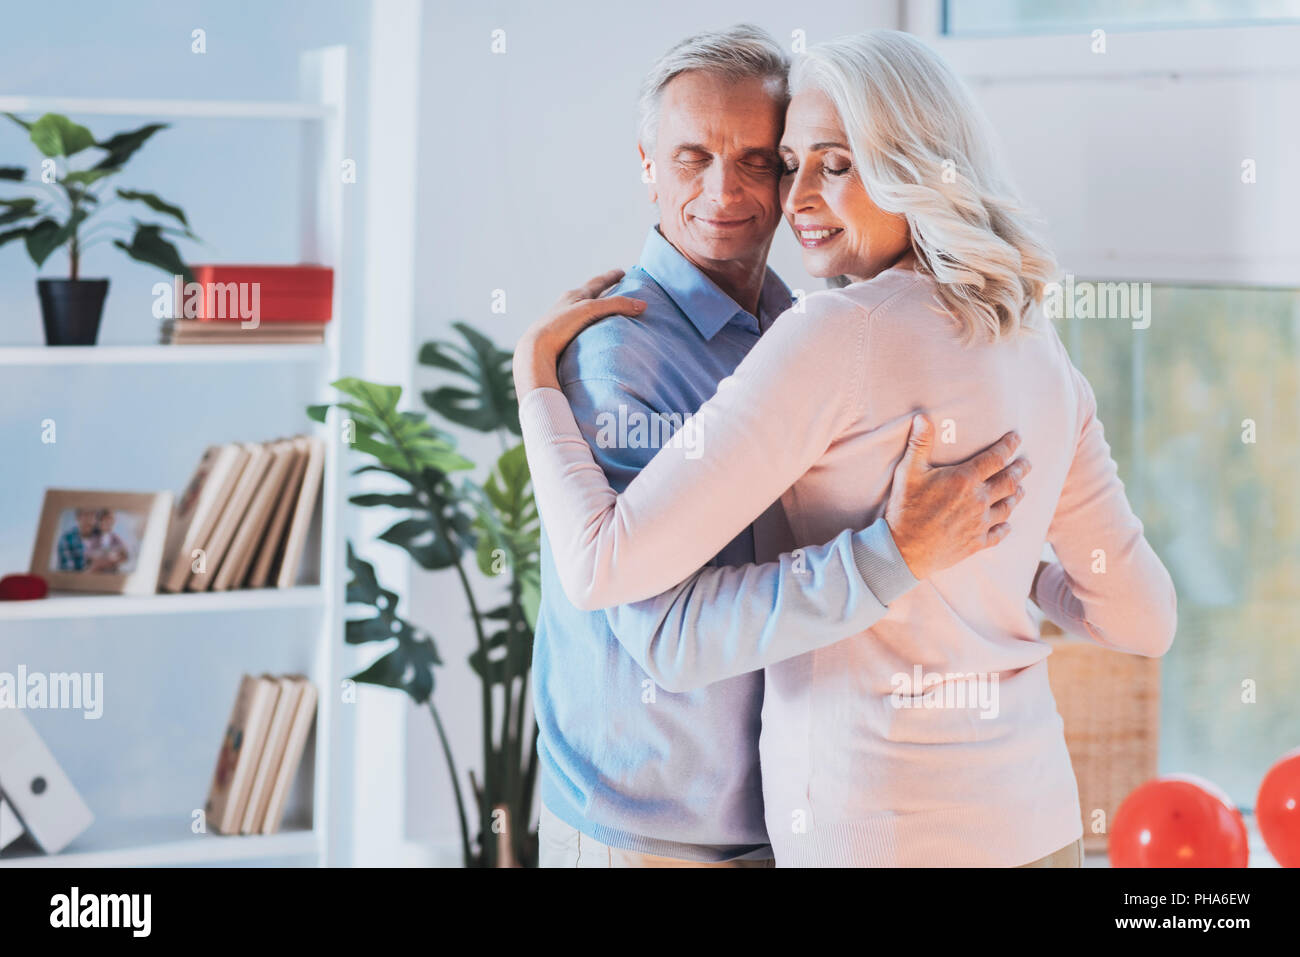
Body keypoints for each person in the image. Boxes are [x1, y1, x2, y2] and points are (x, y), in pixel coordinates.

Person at [515, 29, 1177, 867]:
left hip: (868, 832)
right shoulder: (1034, 344)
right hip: (1034, 826)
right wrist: (983, 559)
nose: (791, 198)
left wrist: (531, 378)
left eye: (825, 163)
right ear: (648, 162)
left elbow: (610, 565)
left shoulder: (827, 330)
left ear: (916, 165)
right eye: (792, 164)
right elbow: (1142, 617)